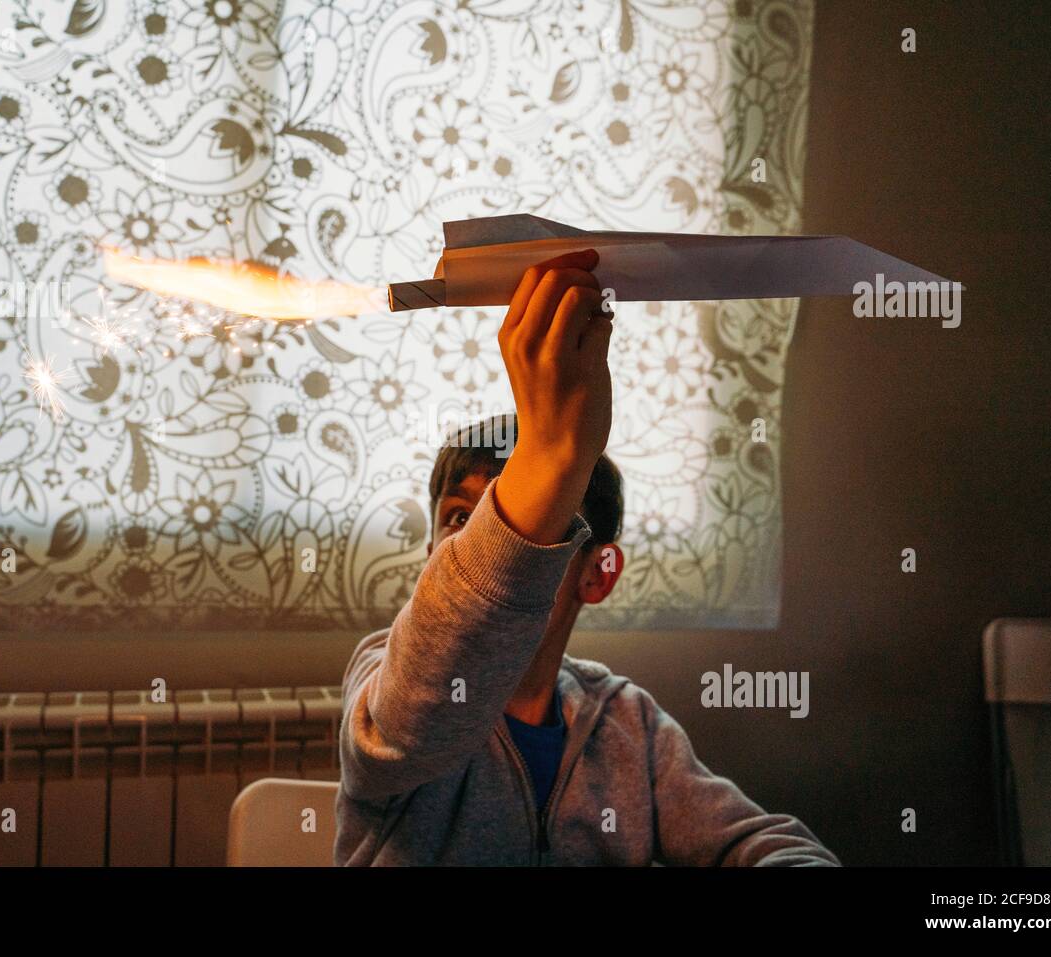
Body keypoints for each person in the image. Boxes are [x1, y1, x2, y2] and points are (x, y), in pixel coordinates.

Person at [335, 249, 839, 865]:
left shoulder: (627, 721)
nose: (478, 544)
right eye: (460, 520)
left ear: (599, 575)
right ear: (431, 554)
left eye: (548, 523)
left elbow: (758, 842)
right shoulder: (385, 677)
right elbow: (405, 731)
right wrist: (549, 456)